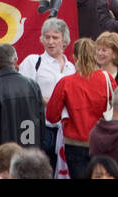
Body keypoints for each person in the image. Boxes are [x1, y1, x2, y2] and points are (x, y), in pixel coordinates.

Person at [46, 38, 117, 179]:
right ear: (95, 55)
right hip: (101, 142)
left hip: (74, 143)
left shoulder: (65, 83)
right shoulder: (108, 79)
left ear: (74, 57)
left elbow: (51, 116)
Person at [0, 44, 44, 167]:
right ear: (15, 61)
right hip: (31, 155)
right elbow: (41, 123)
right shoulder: (33, 86)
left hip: (4, 159)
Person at [18, 18, 76, 164]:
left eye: (55, 38)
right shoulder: (33, 62)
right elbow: (23, 92)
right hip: (40, 129)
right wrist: (47, 101)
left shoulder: (71, 68)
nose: (50, 42)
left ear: (64, 40)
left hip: (64, 131)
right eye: (47, 37)